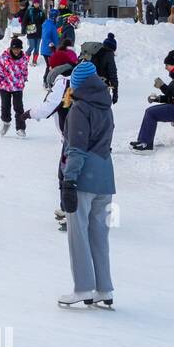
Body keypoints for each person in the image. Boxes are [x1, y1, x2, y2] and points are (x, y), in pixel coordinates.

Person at [57, 61, 116, 307]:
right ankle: (104, 288)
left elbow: (77, 149)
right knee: (99, 235)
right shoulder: (105, 104)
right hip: (105, 176)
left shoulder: (81, 108)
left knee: (78, 234)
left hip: (84, 177)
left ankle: (83, 287)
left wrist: (69, 180)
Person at [0, 37, 30, 137]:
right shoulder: (4, 57)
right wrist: (0, 77)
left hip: (17, 86)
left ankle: (20, 128)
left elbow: (25, 70)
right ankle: (6, 123)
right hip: (5, 86)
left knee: (19, 108)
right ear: (11, 48)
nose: (16, 51)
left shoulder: (24, 58)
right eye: (14, 49)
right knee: (5, 106)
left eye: (18, 49)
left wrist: (24, 79)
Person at [91, 32, 119, 103]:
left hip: (88, 84)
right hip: (101, 86)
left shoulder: (95, 52)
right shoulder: (109, 55)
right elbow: (113, 75)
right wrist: (115, 93)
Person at [21, 0, 45, 64]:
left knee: (37, 48)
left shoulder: (41, 12)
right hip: (31, 32)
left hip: (39, 33)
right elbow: (24, 21)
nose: (36, 4)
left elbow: (44, 22)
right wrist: (23, 30)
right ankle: (26, 59)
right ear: (33, 3)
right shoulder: (29, 11)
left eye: (37, 3)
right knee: (31, 46)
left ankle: (35, 61)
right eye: (35, 3)